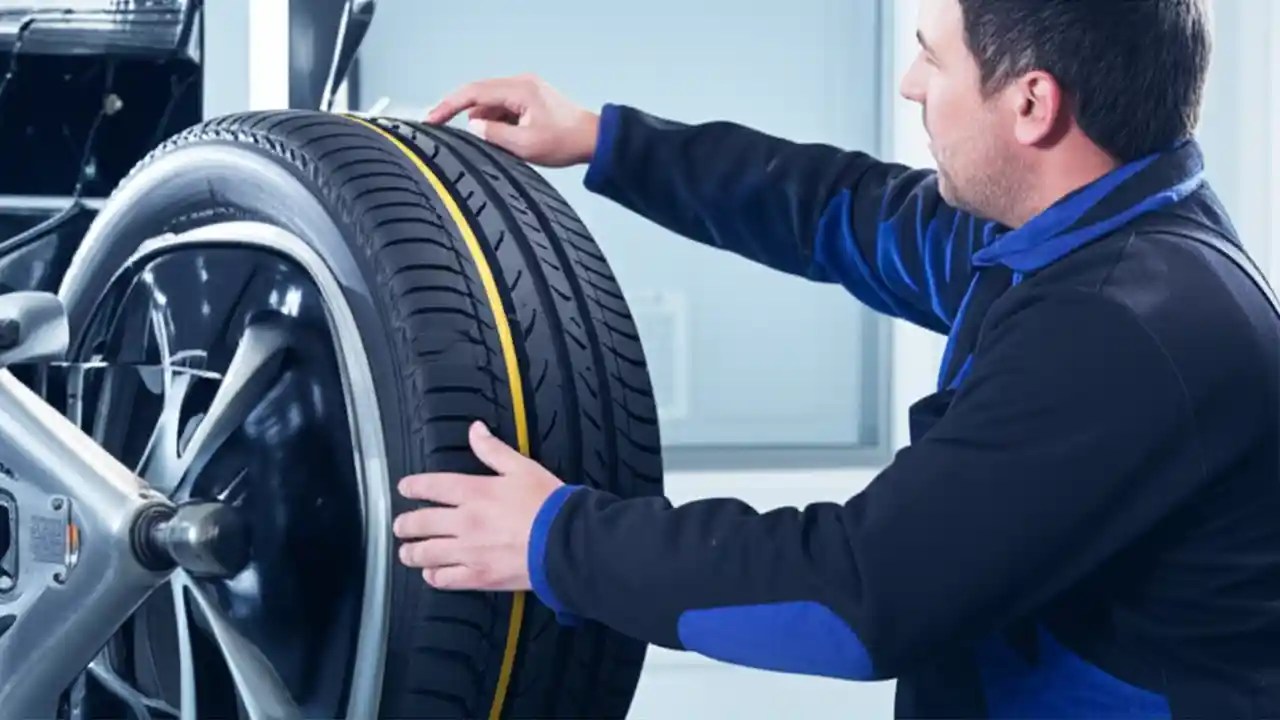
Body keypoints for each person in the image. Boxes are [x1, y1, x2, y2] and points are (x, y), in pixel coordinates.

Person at [391, 0, 1280, 715]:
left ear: (1032, 104)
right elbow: (843, 212)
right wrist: (606, 139)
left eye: (933, 57)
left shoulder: (1122, 331)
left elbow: (859, 596)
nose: (908, 83)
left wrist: (555, 541)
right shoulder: (1082, 233)